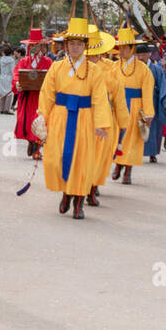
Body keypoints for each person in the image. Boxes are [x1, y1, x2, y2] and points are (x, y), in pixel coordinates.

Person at [33, 15, 113, 220]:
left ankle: (78, 202)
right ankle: (66, 192)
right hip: (60, 116)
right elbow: (47, 93)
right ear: (66, 46)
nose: (75, 47)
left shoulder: (94, 70)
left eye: (79, 43)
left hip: (84, 118)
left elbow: (100, 98)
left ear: (85, 46)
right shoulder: (56, 67)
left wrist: (102, 123)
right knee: (54, 158)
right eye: (72, 43)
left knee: (81, 160)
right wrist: (43, 116)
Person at [110, 26, 154, 185]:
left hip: (135, 106)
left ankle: (128, 170)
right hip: (118, 106)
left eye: (124, 47)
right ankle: (118, 164)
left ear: (132, 48)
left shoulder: (143, 69)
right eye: (119, 47)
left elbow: (148, 91)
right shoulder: (114, 66)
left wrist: (148, 113)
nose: (121, 51)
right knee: (116, 137)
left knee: (131, 139)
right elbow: (108, 87)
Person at [86, 24, 122, 207]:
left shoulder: (110, 68)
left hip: (104, 115)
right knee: (81, 152)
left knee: (101, 155)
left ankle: (92, 188)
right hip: (81, 114)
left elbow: (118, 93)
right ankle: (78, 187)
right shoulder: (72, 65)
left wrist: (123, 120)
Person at [13, 27, 52, 157]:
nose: (37, 48)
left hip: (41, 97)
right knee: (27, 121)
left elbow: (52, 78)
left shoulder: (48, 62)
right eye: (34, 45)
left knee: (40, 121)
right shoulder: (24, 61)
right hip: (27, 96)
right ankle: (31, 141)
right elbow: (16, 75)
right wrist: (17, 84)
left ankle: (37, 148)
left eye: (39, 45)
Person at [140, 40, 166, 163]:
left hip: (152, 101)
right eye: (138, 55)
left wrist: (165, 102)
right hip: (136, 101)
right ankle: (137, 152)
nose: (140, 57)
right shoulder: (134, 68)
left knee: (153, 128)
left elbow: (163, 86)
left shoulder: (156, 69)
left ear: (149, 54)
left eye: (143, 54)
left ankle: (152, 153)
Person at [0, 45, 17, 114]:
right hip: (9, 77)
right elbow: (12, 70)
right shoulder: (11, 60)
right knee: (9, 93)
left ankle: (1, 109)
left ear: (4, 52)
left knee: (2, 93)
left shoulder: (1, 59)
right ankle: (6, 109)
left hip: (2, 76)